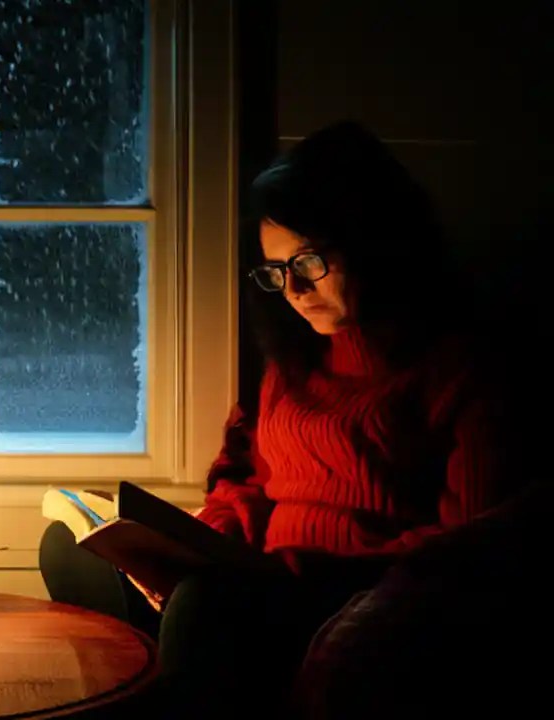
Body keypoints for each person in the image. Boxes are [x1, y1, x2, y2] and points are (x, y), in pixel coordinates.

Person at [132, 120, 526, 719]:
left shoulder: (461, 371)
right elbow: (253, 478)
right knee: (68, 550)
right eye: (275, 269)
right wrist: (213, 534)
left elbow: (467, 542)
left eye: (308, 261)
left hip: (347, 602)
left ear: (372, 242)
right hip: (257, 580)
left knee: (203, 609)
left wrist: (300, 571)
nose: (290, 289)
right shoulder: (295, 363)